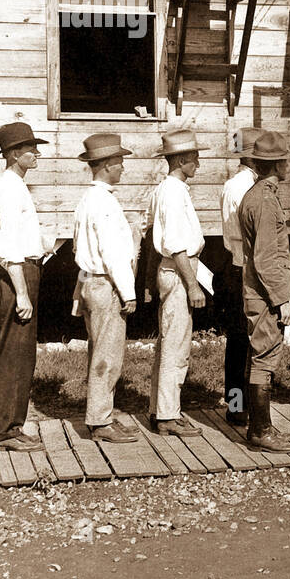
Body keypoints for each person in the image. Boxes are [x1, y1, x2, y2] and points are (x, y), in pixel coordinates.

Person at [0, 121, 51, 453]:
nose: (36, 153)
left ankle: (11, 425)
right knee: (15, 353)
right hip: (16, 275)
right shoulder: (9, 188)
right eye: (30, 148)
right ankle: (6, 431)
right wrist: (22, 292)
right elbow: (8, 244)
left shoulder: (14, 185)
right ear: (14, 154)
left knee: (21, 352)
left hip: (23, 269)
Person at [72, 133, 141, 444]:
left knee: (99, 350)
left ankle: (102, 414)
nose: (123, 167)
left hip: (89, 280)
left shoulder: (88, 200)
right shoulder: (106, 203)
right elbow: (113, 254)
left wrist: (78, 290)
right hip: (106, 283)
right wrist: (129, 292)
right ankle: (100, 422)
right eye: (120, 162)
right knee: (107, 355)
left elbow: (78, 246)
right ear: (106, 166)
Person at [236, 131, 290, 453]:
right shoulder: (263, 200)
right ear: (277, 165)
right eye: (285, 159)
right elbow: (265, 258)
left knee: (260, 356)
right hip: (264, 293)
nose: (289, 164)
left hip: (259, 291)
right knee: (263, 359)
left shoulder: (260, 194)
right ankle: (259, 431)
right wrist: (282, 299)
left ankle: (262, 425)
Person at [145, 129, 206, 437]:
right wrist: (192, 284)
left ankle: (161, 408)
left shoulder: (170, 189)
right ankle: (168, 415)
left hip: (174, 270)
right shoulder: (172, 192)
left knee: (170, 341)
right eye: (194, 157)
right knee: (176, 345)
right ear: (181, 159)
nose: (198, 163)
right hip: (179, 270)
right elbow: (175, 244)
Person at [219, 127, 261, 425]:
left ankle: (236, 405)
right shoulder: (246, 187)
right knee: (245, 343)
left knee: (237, 342)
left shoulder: (233, 183)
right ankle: (240, 406)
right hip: (246, 266)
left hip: (235, 264)